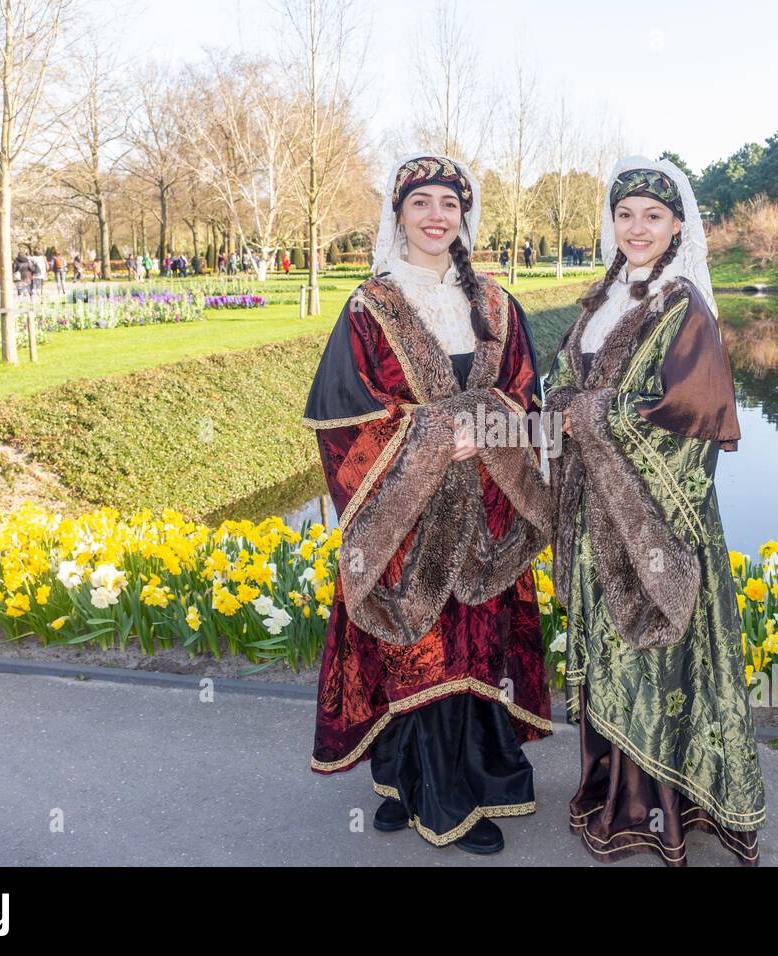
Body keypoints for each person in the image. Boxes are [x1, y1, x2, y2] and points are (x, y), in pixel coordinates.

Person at [302, 153, 554, 855]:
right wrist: (442, 434)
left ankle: (472, 779)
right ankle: (419, 785)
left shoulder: (498, 305)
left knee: (477, 643)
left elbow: (530, 395)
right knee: (419, 646)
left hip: (486, 506)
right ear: (400, 215)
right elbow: (342, 418)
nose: (436, 216)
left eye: (449, 203)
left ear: (463, 217)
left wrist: (491, 428)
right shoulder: (369, 306)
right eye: (422, 204)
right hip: (405, 514)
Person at [545, 156, 766, 867]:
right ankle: (613, 788)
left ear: (677, 226)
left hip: (652, 523)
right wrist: (562, 408)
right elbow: (562, 382)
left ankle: (654, 808)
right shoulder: (601, 299)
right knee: (608, 650)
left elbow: (695, 416)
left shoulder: (683, 305)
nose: (636, 228)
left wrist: (592, 418)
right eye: (625, 214)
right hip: (592, 514)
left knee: (648, 654)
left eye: (653, 216)